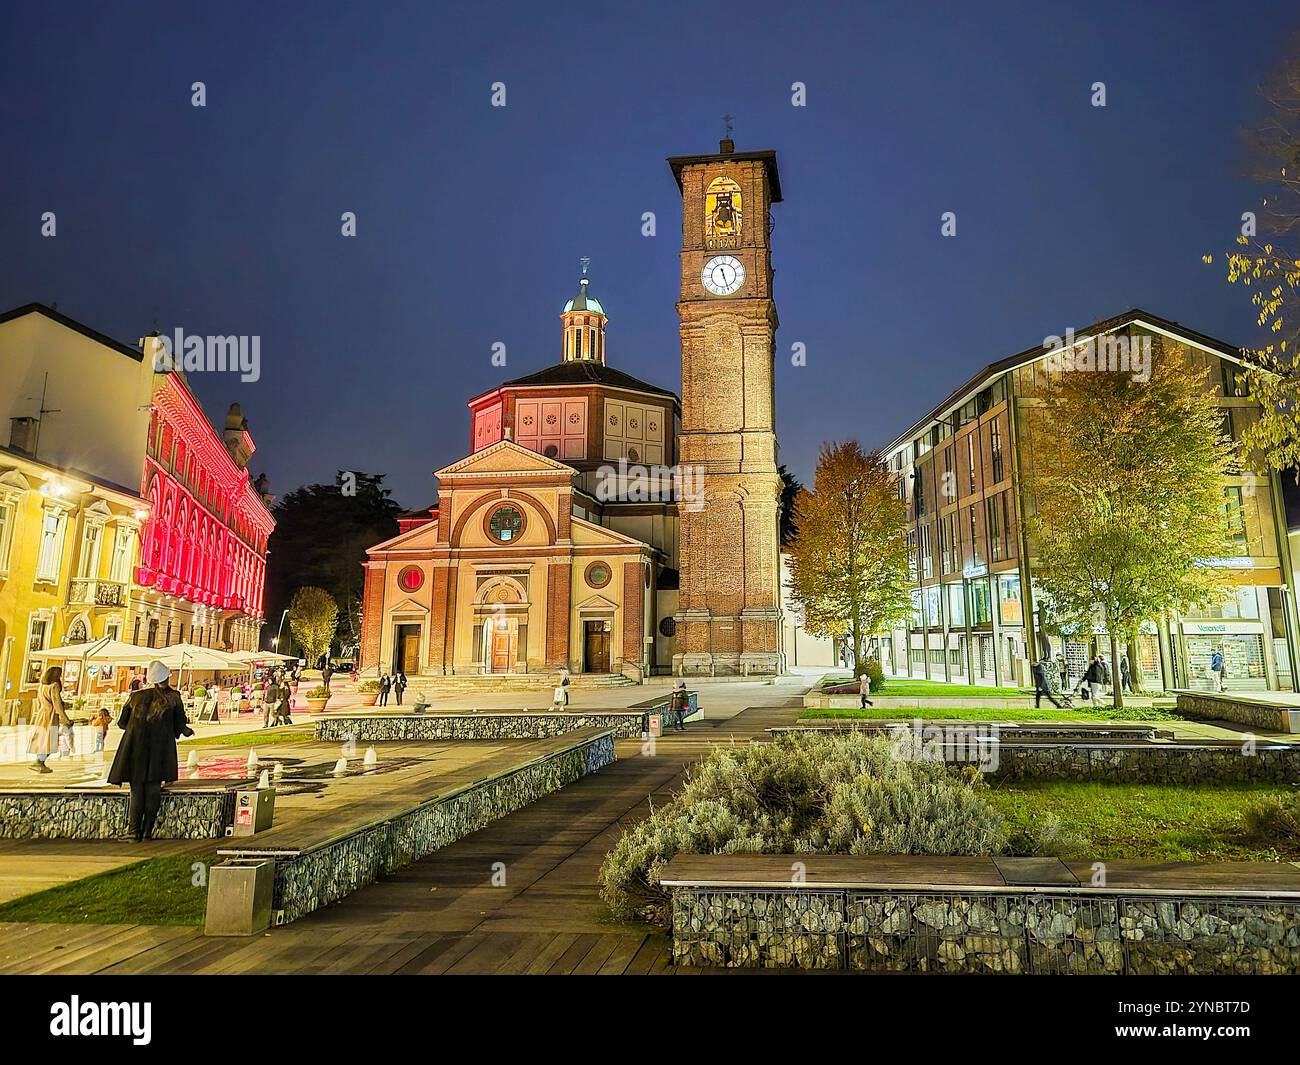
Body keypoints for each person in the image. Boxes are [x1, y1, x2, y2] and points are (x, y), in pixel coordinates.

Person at [107, 661, 192, 842]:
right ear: (167, 677)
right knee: (153, 789)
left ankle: (133, 832)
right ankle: (147, 832)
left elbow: (122, 723)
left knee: (137, 790)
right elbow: (180, 725)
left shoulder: (135, 697)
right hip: (160, 750)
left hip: (135, 747)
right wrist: (184, 731)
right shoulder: (174, 697)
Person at [28, 666, 71, 774]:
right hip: (50, 715)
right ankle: (39, 762)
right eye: (60, 674)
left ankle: (39, 761)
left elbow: (39, 701)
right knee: (50, 741)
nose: (61, 676)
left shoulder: (42, 686)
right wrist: (66, 719)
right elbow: (57, 704)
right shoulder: (54, 685)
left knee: (43, 739)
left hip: (42, 714)